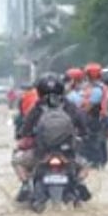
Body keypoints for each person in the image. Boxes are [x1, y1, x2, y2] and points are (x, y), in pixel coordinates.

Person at [13, 74, 92, 202]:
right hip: (67, 154)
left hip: (41, 153)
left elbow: (25, 128)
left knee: (17, 161)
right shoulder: (69, 106)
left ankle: (26, 185)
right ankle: (79, 183)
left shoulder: (37, 108)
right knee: (85, 165)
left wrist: (22, 135)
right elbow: (82, 125)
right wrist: (83, 135)